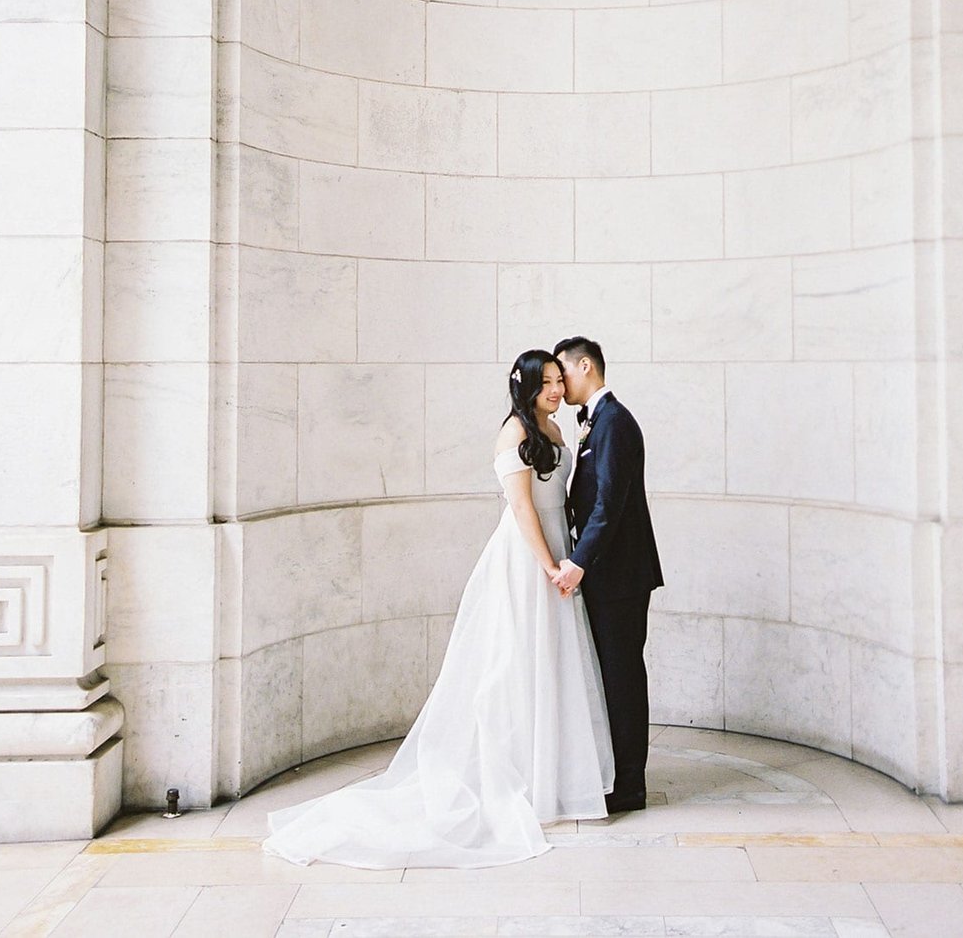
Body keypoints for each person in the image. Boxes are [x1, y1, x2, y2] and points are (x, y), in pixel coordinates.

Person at [263, 351, 613, 868]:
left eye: (559, 382)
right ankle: (513, 774)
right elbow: (521, 510)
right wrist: (549, 567)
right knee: (511, 664)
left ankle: (552, 777)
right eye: (546, 385)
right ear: (525, 389)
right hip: (526, 557)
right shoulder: (513, 436)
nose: (556, 392)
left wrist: (570, 560)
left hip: (559, 552)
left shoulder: (559, 435)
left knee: (553, 664)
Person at [552, 336, 664, 814]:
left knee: (622, 678)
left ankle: (631, 785)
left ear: (586, 366)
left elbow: (609, 505)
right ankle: (618, 772)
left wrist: (577, 562)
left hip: (620, 577)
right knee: (612, 677)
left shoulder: (615, 422)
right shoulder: (595, 422)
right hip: (607, 575)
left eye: (563, 373)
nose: (559, 384)